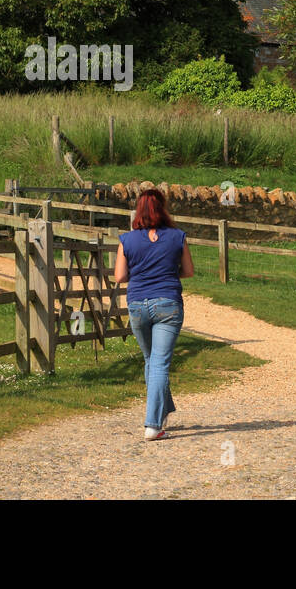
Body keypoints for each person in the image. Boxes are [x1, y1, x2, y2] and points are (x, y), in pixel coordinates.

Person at [113, 187, 194, 441]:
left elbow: (119, 276)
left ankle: (163, 409)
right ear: (163, 209)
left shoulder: (126, 240)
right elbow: (189, 271)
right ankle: (153, 424)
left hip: (137, 305)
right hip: (168, 304)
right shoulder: (177, 237)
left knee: (152, 360)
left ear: (138, 210)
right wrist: (168, 273)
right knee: (158, 362)